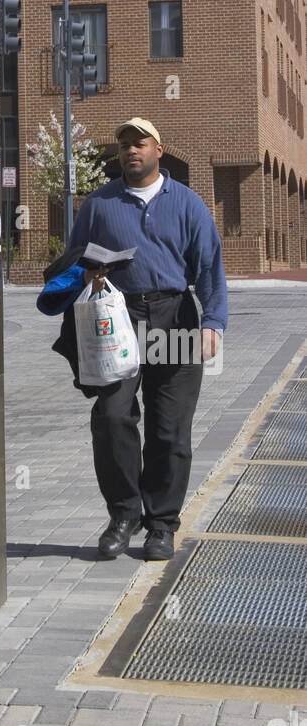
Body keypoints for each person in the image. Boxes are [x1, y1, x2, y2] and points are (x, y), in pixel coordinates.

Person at [69, 118, 227, 562]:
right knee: (113, 416)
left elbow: (209, 267)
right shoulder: (99, 204)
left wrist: (213, 323)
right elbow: (71, 261)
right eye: (123, 145)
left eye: (139, 143)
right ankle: (124, 514)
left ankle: (161, 524)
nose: (130, 151)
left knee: (169, 429)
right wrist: (86, 273)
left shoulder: (188, 204)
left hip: (174, 317)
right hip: (118, 319)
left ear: (159, 149)